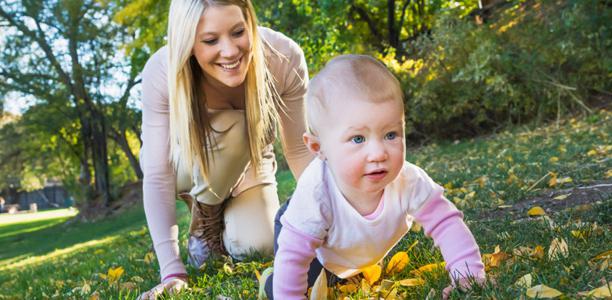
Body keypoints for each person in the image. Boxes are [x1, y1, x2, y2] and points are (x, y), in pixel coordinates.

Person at [262, 55, 486, 299]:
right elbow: (293, 255)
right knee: (299, 284)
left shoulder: (408, 181)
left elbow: (446, 223)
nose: (378, 153)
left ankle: (347, 270)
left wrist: (468, 277)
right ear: (318, 148)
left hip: (350, 248)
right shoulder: (315, 196)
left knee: (340, 274)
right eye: (358, 139)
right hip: (312, 242)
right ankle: (272, 282)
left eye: (390, 134)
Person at [138, 0, 312, 298]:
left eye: (238, 32)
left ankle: (217, 218)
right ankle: (204, 217)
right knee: (234, 125)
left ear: (251, 22)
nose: (230, 51)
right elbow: (157, 175)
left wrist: (337, 215)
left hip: (252, 164)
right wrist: (172, 271)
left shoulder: (283, 58)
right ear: (187, 41)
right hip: (186, 165)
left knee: (260, 245)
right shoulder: (162, 72)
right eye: (210, 40)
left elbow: (299, 150)